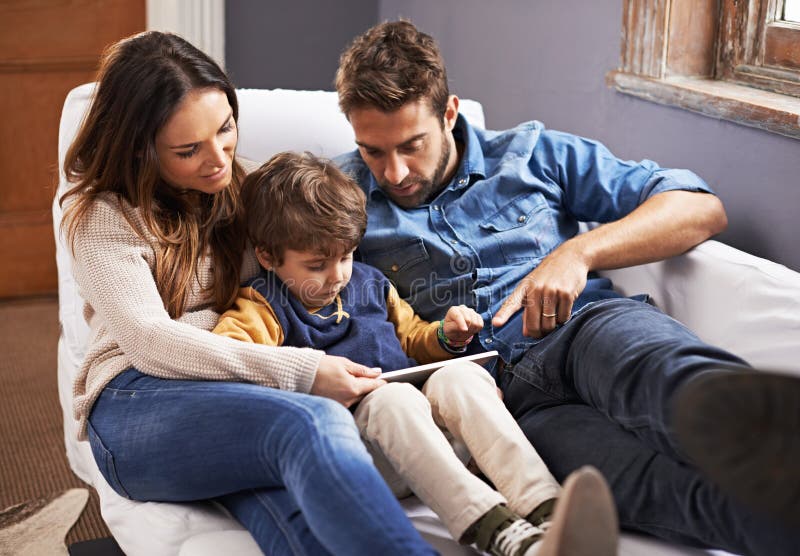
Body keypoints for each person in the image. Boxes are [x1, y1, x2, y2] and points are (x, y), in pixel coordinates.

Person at [332, 20, 799, 556]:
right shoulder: (336, 199)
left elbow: (698, 206)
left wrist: (577, 252)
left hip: (586, 330)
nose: (394, 172)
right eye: (372, 151)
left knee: (670, 382)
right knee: (673, 496)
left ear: (450, 113)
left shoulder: (532, 155)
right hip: (509, 414)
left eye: (412, 145)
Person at [59, 30, 438, 556]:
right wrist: (303, 371)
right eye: (189, 149)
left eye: (226, 129)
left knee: (296, 521)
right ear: (140, 149)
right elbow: (150, 341)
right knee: (309, 421)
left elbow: (336, 233)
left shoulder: (253, 193)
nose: (218, 159)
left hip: (234, 397)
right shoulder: (103, 217)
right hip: (134, 402)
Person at [213, 151, 620, 556]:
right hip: (367, 456)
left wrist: (446, 335)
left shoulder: (371, 285)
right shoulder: (262, 307)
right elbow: (228, 363)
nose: (337, 275)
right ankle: (499, 532)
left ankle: (546, 511)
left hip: (435, 442)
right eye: (316, 265)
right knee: (393, 398)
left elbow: (411, 338)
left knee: (460, 377)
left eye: (345, 257)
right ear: (267, 256)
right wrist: (309, 375)